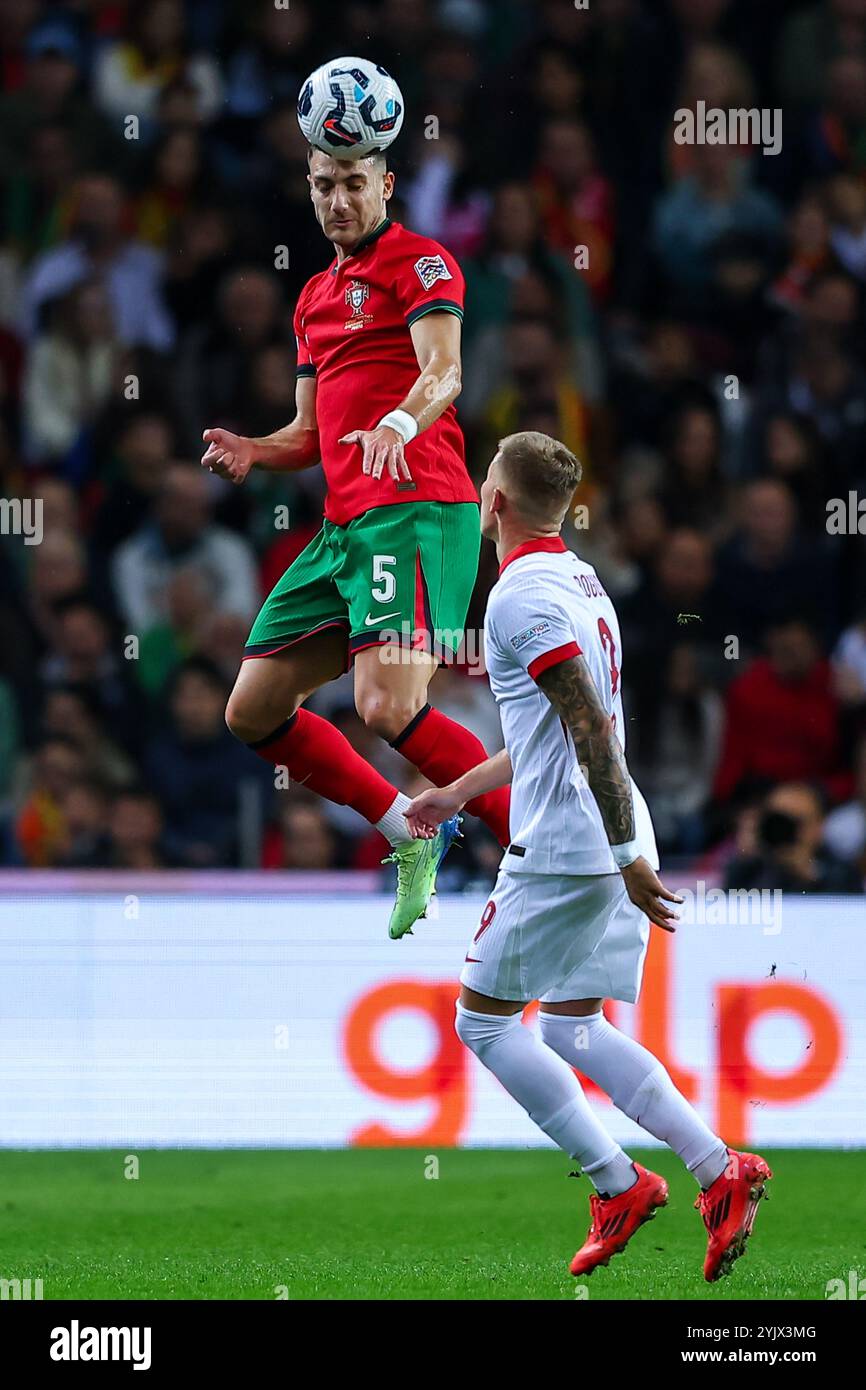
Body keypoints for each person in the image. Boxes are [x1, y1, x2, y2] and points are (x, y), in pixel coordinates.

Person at [405, 431, 772, 1283]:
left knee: (483, 1022)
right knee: (573, 1025)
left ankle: (618, 1182)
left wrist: (617, 854)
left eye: (482, 480)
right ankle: (720, 1172)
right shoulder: (579, 580)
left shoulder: (516, 601)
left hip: (572, 844)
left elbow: (588, 729)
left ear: (493, 503)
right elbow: (555, 727)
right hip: (610, 828)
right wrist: (458, 792)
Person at [200, 146, 510, 937]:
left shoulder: (423, 262)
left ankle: (535, 851)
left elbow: (446, 371)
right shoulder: (312, 299)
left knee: (387, 703)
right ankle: (404, 828)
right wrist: (254, 450)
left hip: (413, 505)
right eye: (324, 186)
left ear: (386, 186)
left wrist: (399, 423)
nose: (339, 201)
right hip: (344, 527)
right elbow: (308, 433)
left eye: (354, 185)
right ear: (310, 188)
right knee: (252, 710)